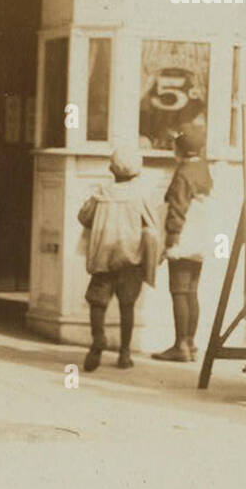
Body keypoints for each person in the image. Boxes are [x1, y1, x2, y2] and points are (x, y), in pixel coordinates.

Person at [77, 147, 159, 373]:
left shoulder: (102, 193)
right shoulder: (140, 195)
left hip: (103, 258)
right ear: (137, 172)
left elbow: (83, 216)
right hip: (130, 259)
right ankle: (124, 353)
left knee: (98, 302)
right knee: (127, 305)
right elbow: (151, 225)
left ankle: (98, 339)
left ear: (111, 169)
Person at [152, 126, 214, 363]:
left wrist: (170, 240)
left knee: (178, 290)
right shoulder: (203, 169)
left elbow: (177, 208)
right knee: (191, 291)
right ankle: (190, 343)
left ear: (182, 149)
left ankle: (180, 345)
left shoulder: (184, 172)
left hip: (183, 236)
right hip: (200, 236)